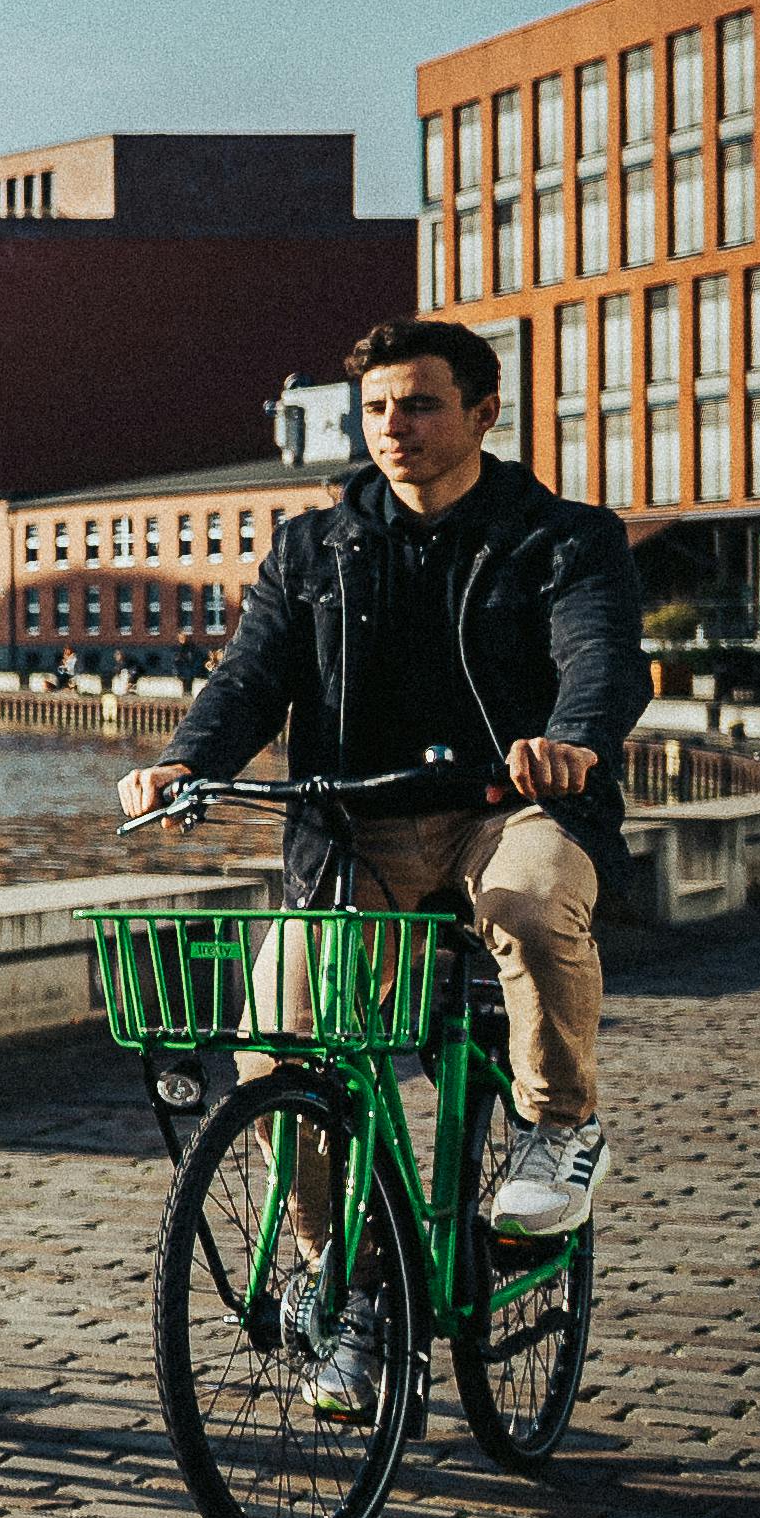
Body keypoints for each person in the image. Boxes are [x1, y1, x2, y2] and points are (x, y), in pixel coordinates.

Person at [128, 318, 644, 1294]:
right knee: (276, 1056)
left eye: (419, 402)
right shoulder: (313, 547)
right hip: (353, 832)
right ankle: (347, 1287)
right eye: (376, 407)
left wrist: (572, 738)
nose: (393, 425)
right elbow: (249, 676)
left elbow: (601, 654)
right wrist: (183, 760)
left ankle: (561, 1128)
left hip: (510, 813)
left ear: (483, 412)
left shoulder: (562, 539)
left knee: (530, 904)